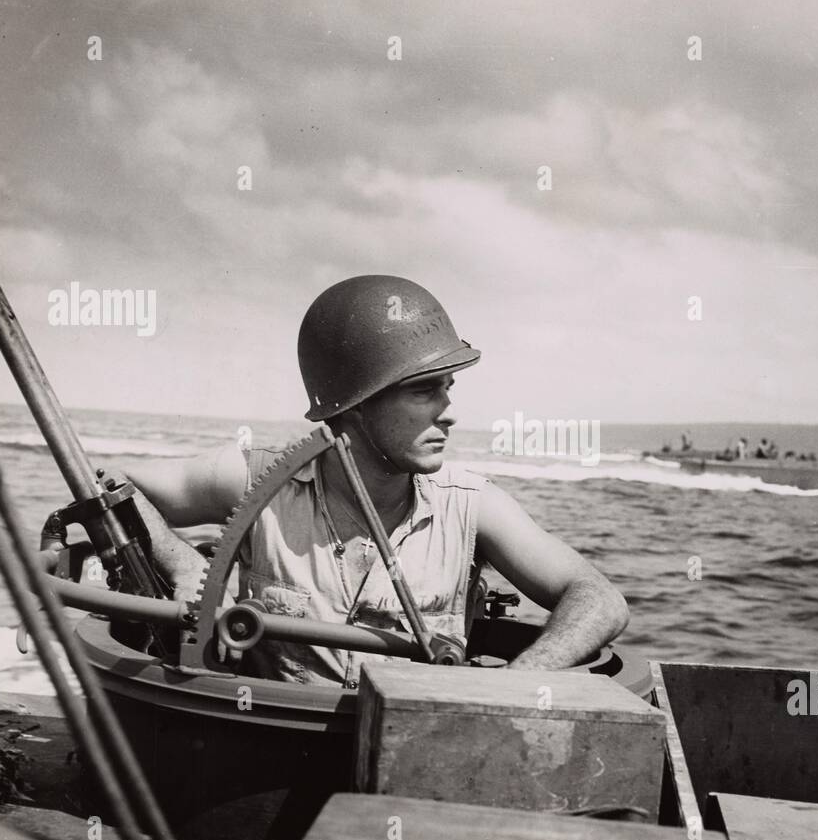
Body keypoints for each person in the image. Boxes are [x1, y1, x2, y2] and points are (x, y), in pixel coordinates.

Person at [117, 275, 629, 686]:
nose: (449, 414)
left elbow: (599, 599)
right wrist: (184, 566)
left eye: (447, 388)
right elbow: (114, 483)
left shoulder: (472, 505)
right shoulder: (260, 483)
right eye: (424, 391)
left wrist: (513, 688)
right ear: (357, 405)